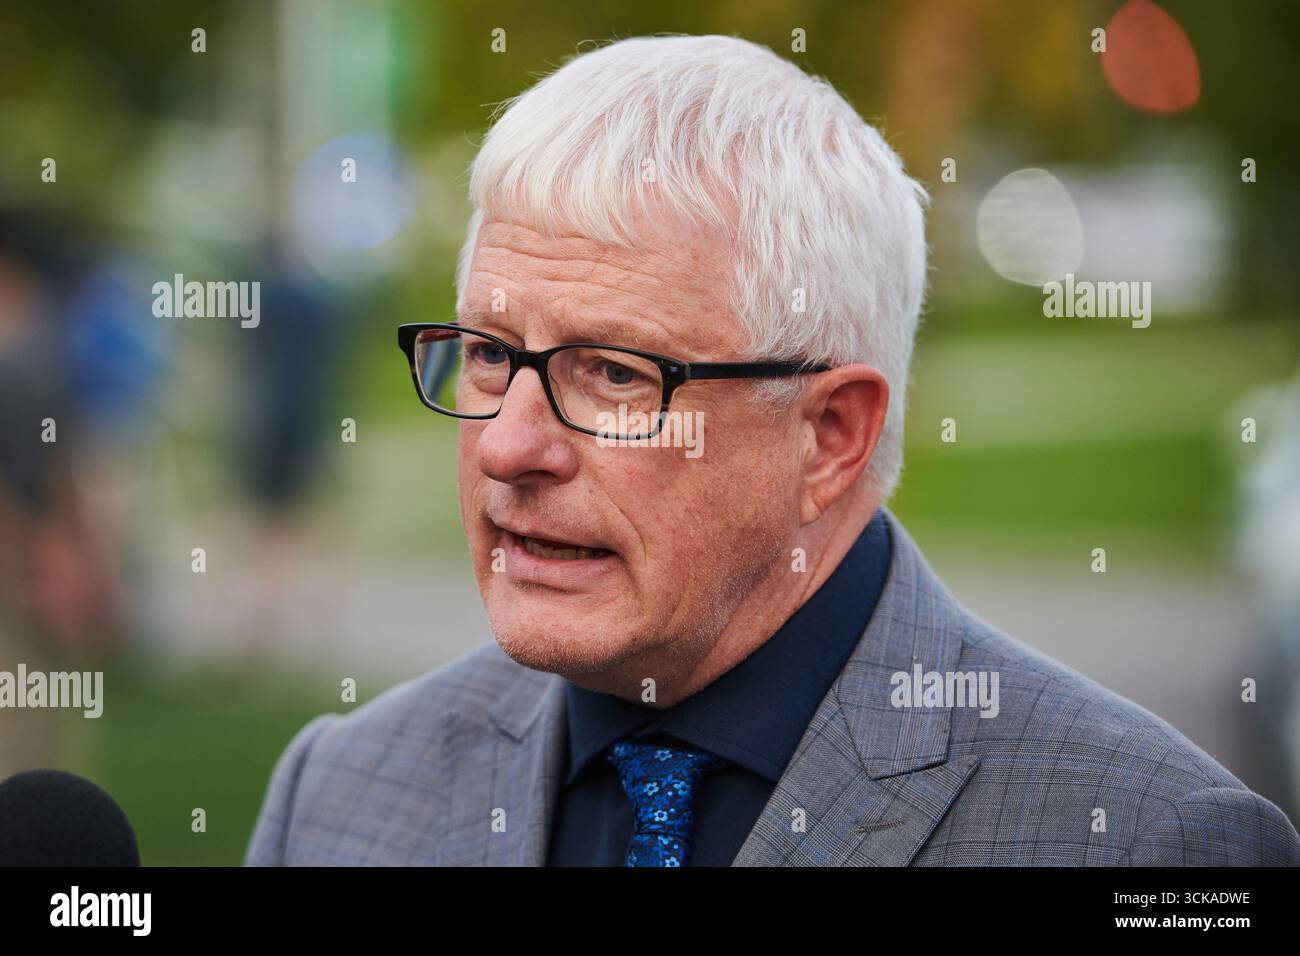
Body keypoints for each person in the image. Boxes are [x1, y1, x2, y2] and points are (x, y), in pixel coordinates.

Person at [246, 35, 1300, 866]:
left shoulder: (1149, 836)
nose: (511, 445)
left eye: (613, 372)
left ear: (830, 433)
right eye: (486, 353)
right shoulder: (339, 791)